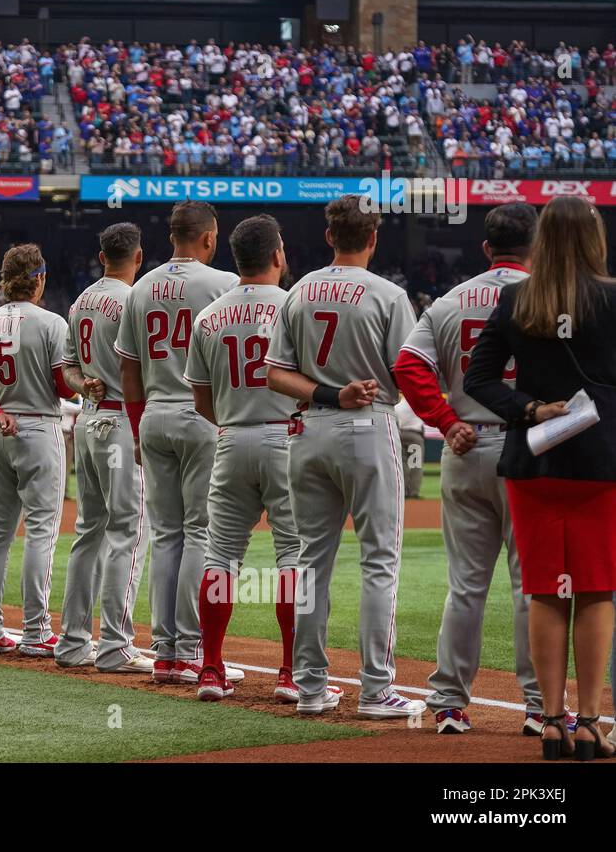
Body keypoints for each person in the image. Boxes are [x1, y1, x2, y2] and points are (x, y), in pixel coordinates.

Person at [464, 195, 616, 761]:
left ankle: (552, 720)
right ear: (594, 238)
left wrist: (531, 410)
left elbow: (480, 380)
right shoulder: (611, 298)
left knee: (547, 591)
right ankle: (592, 723)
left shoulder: (515, 298)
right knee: (597, 588)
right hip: (601, 462)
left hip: (536, 459)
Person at [393, 202, 547, 736]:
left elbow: (408, 366)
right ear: (537, 244)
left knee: (465, 586)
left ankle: (450, 704)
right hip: (532, 449)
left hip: (466, 445)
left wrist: (445, 418)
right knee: (534, 586)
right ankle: (539, 707)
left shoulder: (451, 299)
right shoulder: (551, 296)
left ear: (487, 247)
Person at [266, 194, 418, 719]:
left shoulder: (299, 290)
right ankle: (376, 690)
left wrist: (328, 393)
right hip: (368, 429)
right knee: (380, 560)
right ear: (373, 239)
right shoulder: (390, 295)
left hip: (308, 430)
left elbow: (275, 374)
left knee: (310, 563)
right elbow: (408, 377)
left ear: (330, 237)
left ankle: (310, 686)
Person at [188, 215, 334, 704]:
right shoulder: (298, 305)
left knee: (221, 555)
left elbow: (201, 401)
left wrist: (233, 419)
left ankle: (209, 669)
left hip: (230, 436)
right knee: (294, 556)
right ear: (277, 255)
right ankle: (290, 674)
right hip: (288, 436)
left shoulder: (209, 314)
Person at [117, 200, 242, 687]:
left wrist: (136, 426)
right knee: (200, 533)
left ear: (171, 236)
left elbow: (128, 370)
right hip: (202, 415)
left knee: (165, 535)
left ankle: (166, 651)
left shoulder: (140, 287)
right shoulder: (224, 284)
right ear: (209, 238)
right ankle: (190, 649)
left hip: (153, 412)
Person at [0, 244, 74, 656]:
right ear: (39, 277)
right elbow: (63, 386)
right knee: (42, 531)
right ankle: (35, 629)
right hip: (39, 427)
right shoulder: (51, 322)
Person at [56, 223, 151, 673]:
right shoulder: (134, 298)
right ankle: (115, 644)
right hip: (123, 421)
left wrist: (84, 385)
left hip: (90, 415)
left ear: (101, 256)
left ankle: (73, 642)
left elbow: (70, 370)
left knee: (89, 532)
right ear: (138, 257)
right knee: (127, 534)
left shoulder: (81, 300)